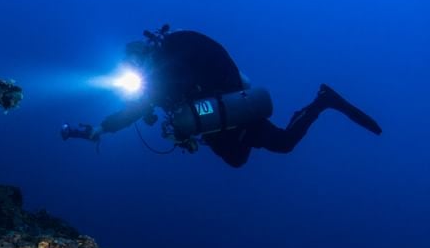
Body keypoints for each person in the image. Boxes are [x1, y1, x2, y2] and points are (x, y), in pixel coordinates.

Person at [63, 26, 382, 167]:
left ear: (139, 58)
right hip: (229, 110)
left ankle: (323, 100)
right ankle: (322, 101)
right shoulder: (168, 66)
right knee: (252, 153)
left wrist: (102, 128)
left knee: (267, 149)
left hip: (230, 115)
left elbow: (136, 109)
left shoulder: (162, 75)